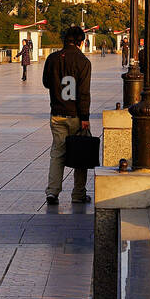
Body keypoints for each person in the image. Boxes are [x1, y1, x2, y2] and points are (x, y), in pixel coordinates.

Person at [42, 25, 91, 205]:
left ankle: (52, 192)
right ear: (81, 42)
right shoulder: (83, 61)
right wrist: (85, 117)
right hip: (77, 116)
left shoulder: (52, 58)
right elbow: (84, 92)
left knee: (57, 152)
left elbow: (46, 83)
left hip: (57, 113)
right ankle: (78, 193)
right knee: (80, 154)